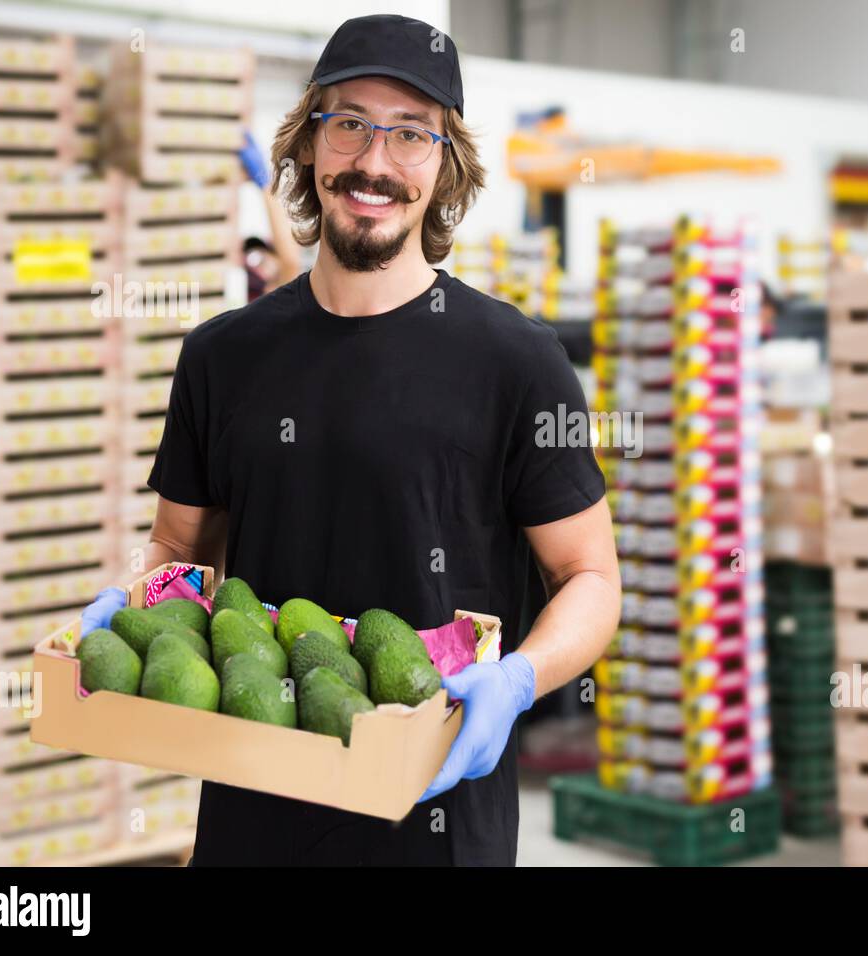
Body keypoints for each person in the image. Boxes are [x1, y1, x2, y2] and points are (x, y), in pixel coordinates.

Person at [78, 14, 621, 866]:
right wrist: (140, 599)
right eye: (351, 124)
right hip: (253, 810)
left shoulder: (516, 362)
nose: (375, 162)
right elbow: (181, 547)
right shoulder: (224, 354)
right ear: (307, 143)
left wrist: (517, 681)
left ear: (444, 164)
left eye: (410, 134)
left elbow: (590, 577)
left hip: (437, 822)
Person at [239, 131, 302, 300]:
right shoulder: (245, 277)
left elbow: (290, 261)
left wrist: (265, 185)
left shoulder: (272, 296)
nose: (261, 265)